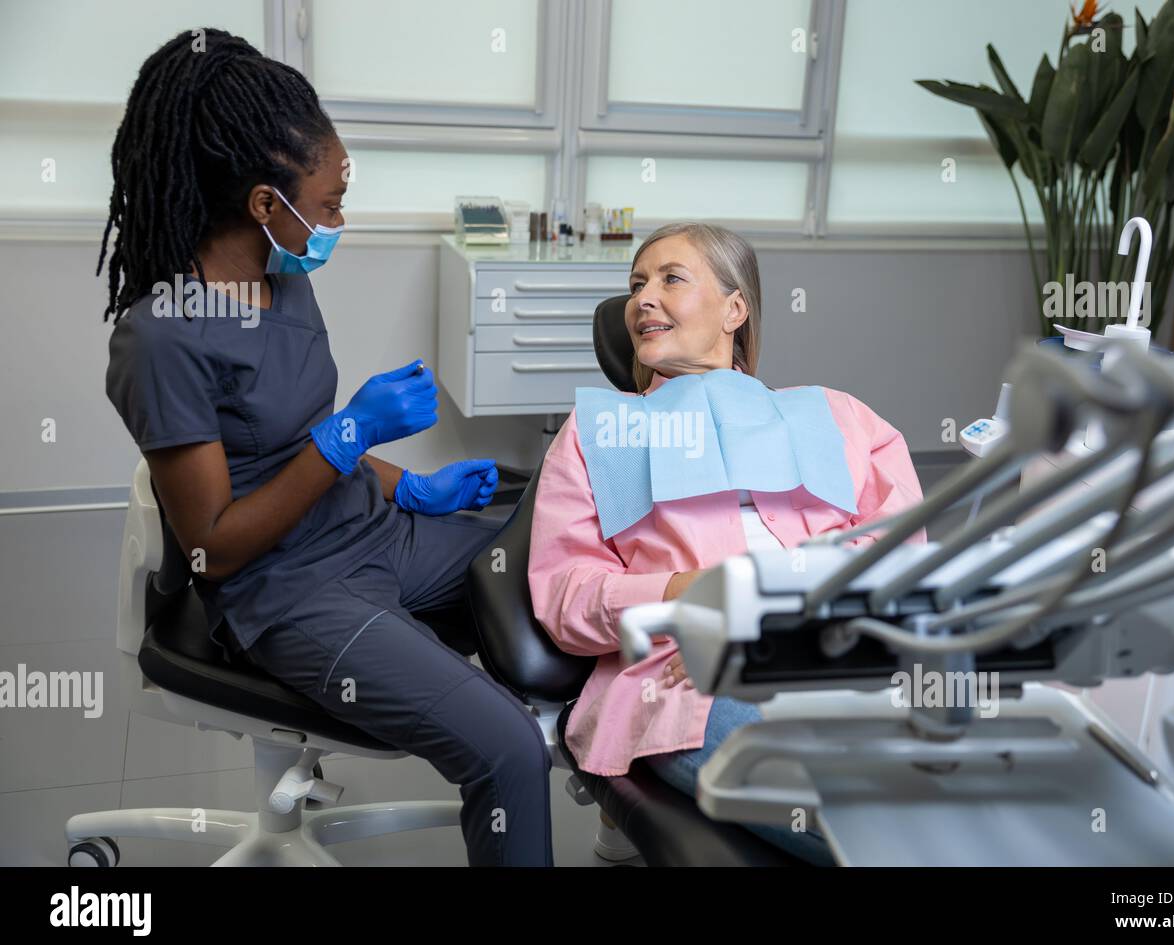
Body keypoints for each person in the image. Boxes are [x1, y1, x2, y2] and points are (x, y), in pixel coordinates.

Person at [101, 29, 552, 866]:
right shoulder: (162, 339)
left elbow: (298, 443)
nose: (340, 218)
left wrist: (410, 487)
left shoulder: (286, 278)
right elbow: (213, 551)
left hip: (371, 532)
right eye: (331, 201)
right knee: (508, 750)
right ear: (267, 205)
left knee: (562, 548)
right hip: (287, 591)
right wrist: (352, 432)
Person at [528, 222, 927, 865]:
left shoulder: (836, 416)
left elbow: (895, 549)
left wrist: (789, 606)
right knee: (882, 823)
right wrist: (678, 595)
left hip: (839, 647)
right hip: (692, 678)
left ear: (734, 309)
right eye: (636, 285)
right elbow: (565, 596)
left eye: (670, 279)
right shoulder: (601, 433)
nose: (642, 299)